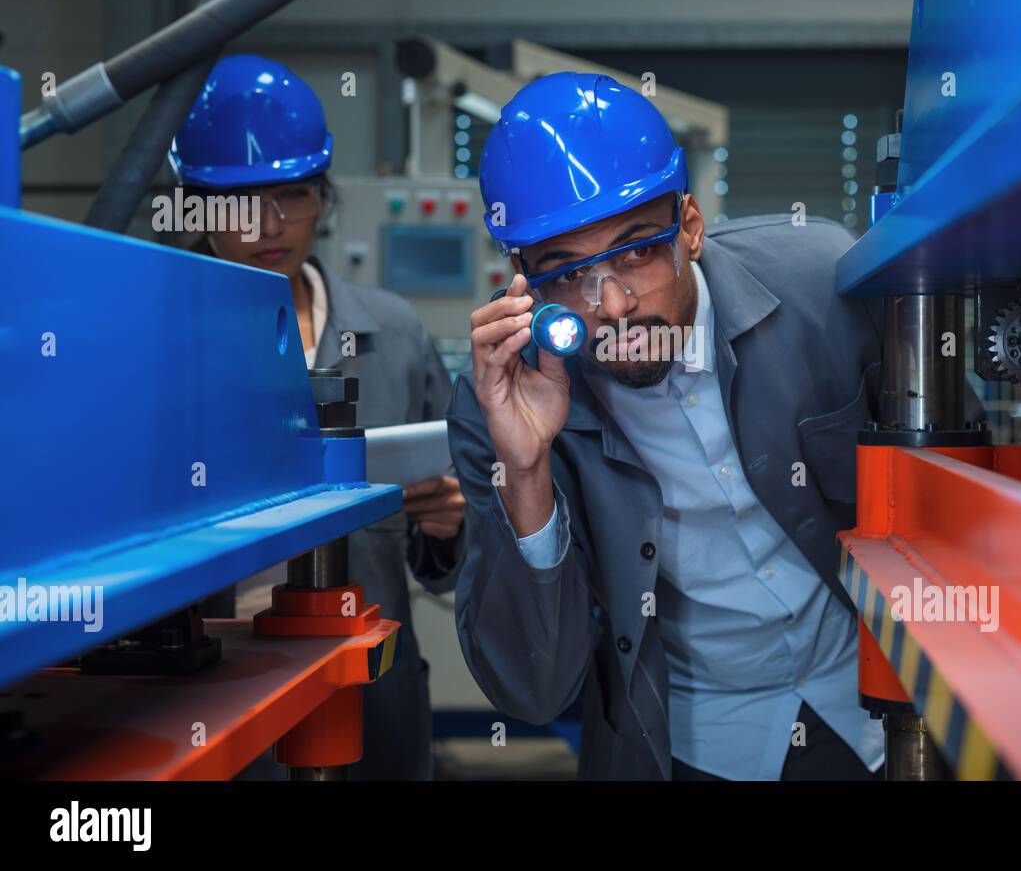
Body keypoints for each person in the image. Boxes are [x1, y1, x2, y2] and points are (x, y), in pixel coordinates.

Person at [447, 72, 890, 780]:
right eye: (566, 274)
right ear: (521, 278)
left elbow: (955, 494)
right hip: (691, 738)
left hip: (870, 703)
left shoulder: (822, 284)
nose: (613, 305)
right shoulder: (494, 401)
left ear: (688, 226)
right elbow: (532, 690)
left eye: (635, 252)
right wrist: (526, 471)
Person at [171, 54, 466, 780]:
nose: (270, 224)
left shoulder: (393, 332)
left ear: (323, 197)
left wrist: (450, 520)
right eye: (240, 203)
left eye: (293, 194)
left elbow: (443, 560)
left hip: (367, 691)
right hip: (209, 695)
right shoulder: (161, 344)